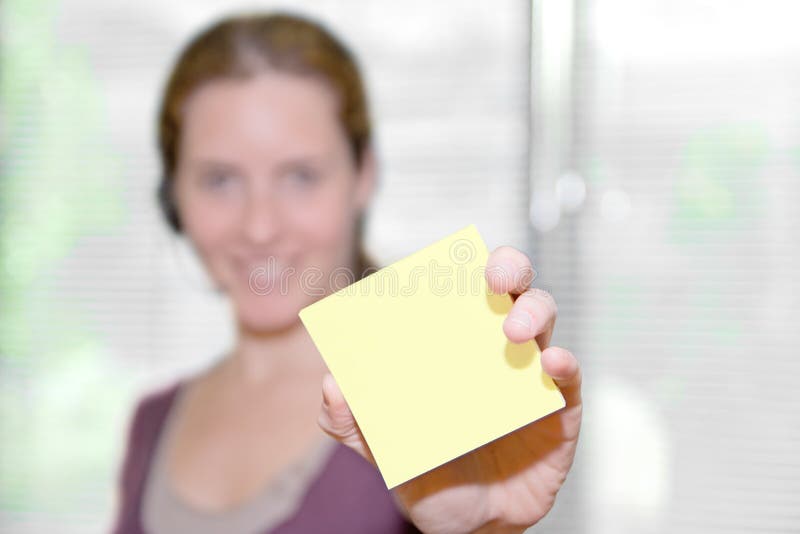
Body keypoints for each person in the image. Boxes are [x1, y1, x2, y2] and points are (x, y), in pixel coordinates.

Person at [111, 12, 583, 534]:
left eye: (300, 176)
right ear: (173, 196)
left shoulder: (436, 399)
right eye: (219, 179)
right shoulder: (151, 424)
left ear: (364, 176)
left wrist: (486, 528)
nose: (260, 226)